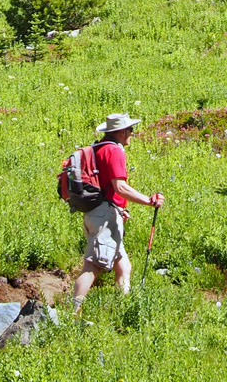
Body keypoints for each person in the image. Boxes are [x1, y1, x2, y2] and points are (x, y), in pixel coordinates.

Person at [72, 112, 163, 311]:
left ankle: (123, 309)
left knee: (123, 266)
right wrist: (149, 201)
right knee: (93, 266)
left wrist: (119, 209)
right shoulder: (114, 151)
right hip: (104, 216)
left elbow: (106, 186)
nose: (132, 133)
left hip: (98, 213)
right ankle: (73, 313)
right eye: (130, 130)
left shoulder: (98, 148)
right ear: (121, 132)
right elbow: (119, 186)